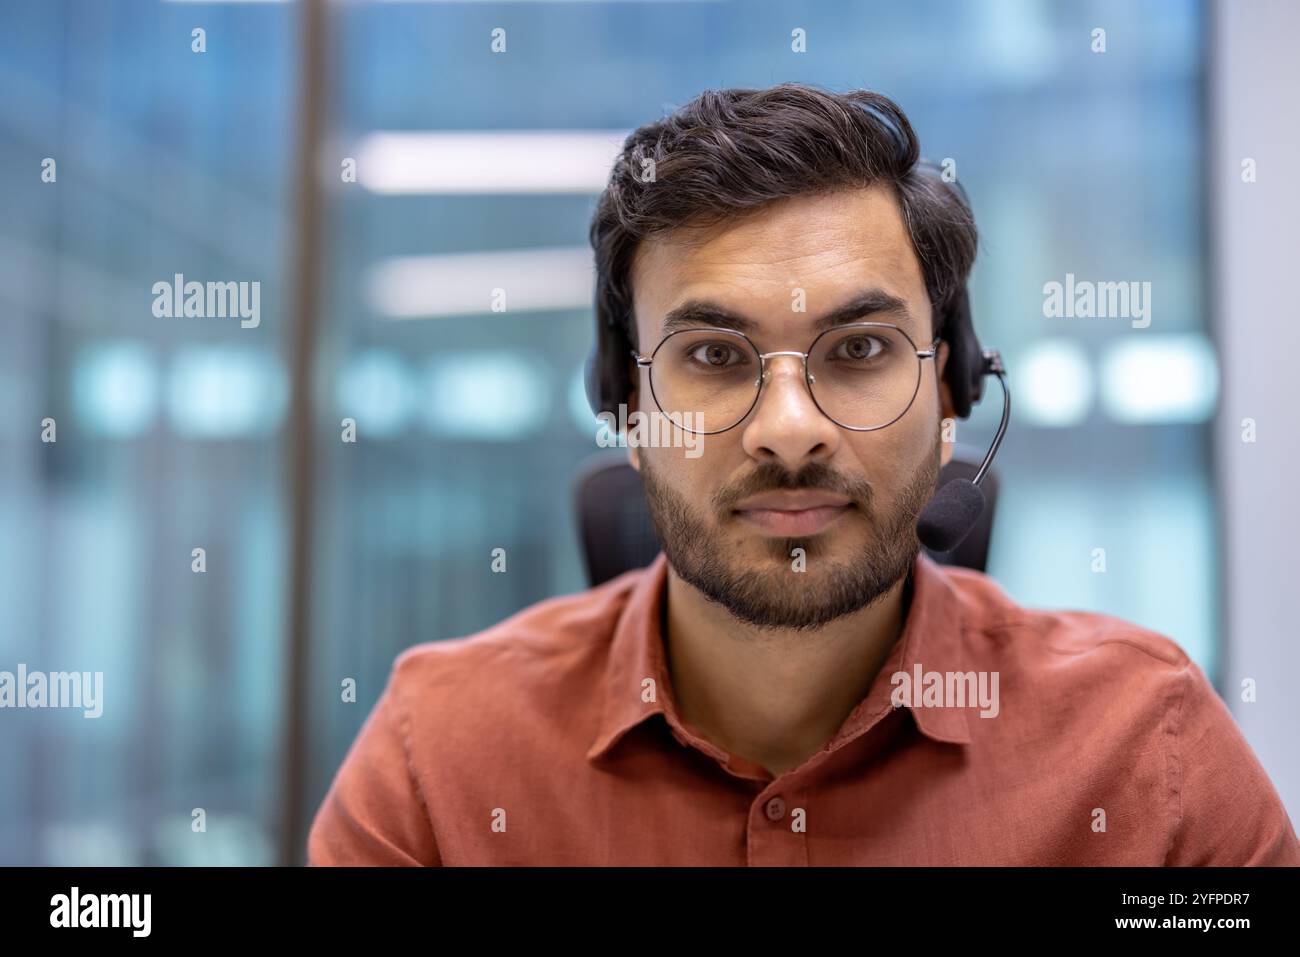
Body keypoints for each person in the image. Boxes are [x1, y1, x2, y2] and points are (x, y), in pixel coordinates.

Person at [308, 83, 1299, 866]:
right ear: (625, 406)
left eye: (859, 351)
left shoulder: (1145, 749)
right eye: (712, 355)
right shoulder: (438, 757)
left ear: (952, 394)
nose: (790, 432)